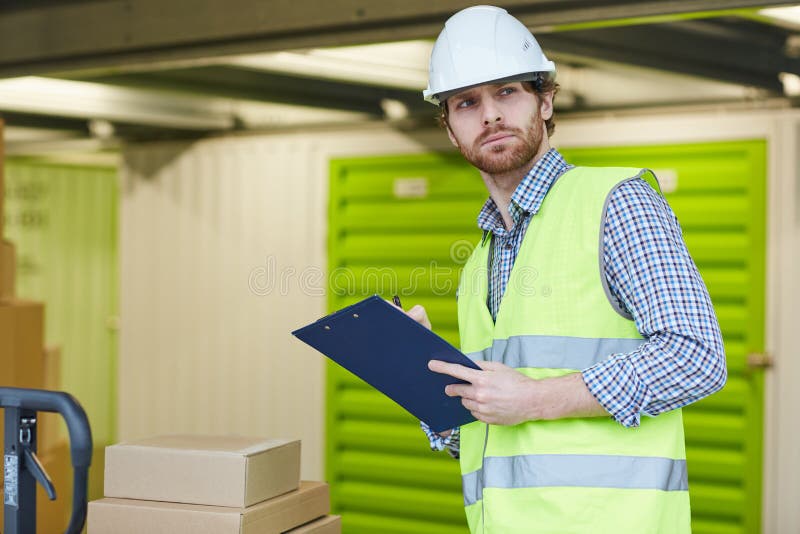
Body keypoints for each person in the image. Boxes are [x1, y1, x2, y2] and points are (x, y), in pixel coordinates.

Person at [402, 5, 727, 534]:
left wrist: (535, 398)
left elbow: (698, 356)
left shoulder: (617, 204)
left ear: (546, 101)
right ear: (449, 128)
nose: (489, 116)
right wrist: (422, 378)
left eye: (507, 92)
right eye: (466, 102)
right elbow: (494, 432)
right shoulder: (478, 264)